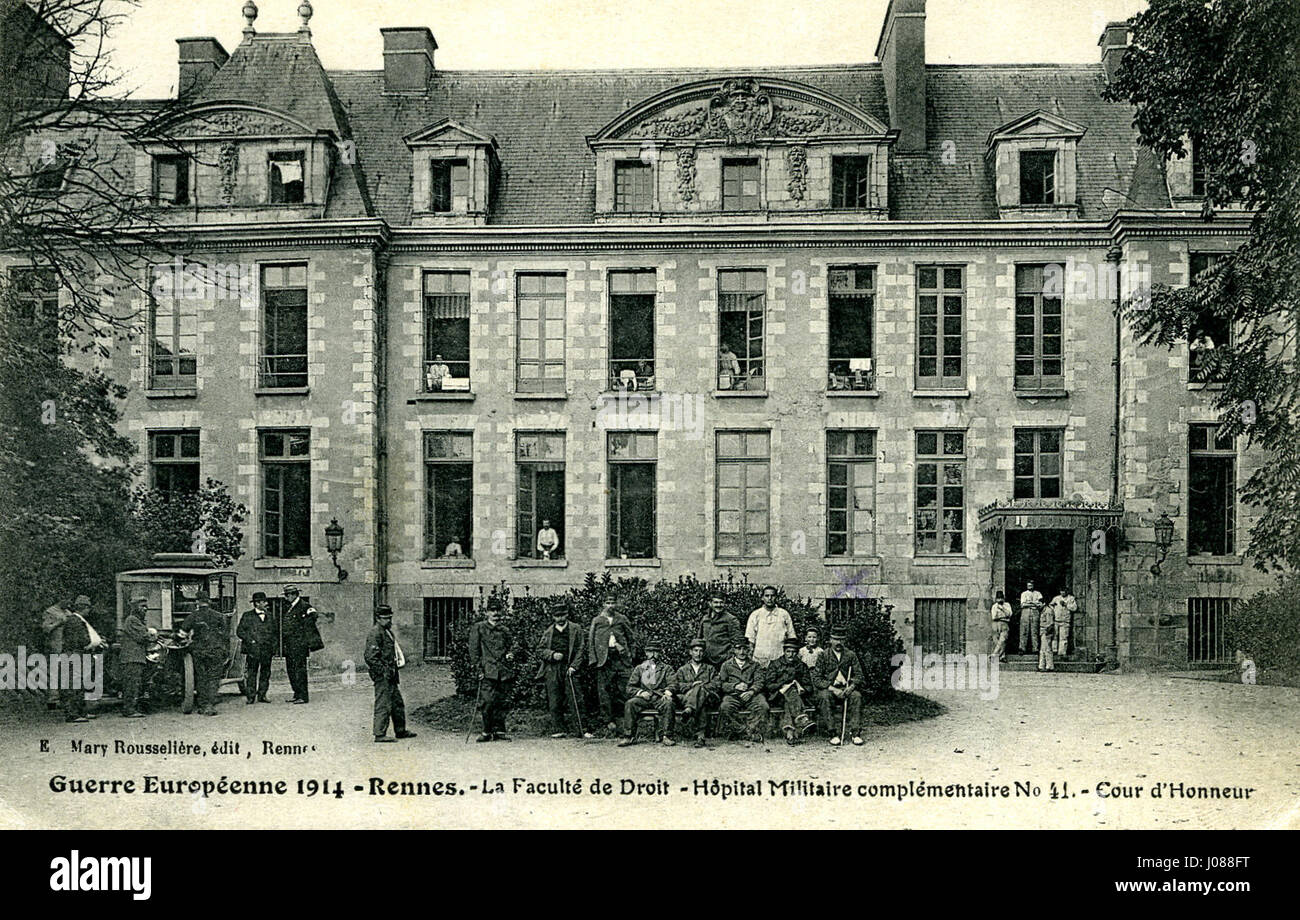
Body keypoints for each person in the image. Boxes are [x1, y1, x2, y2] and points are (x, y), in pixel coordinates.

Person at [535, 607, 591, 739]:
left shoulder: (576, 628)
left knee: (576, 698)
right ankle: (558, 729)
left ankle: (582, 729)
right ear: (553, 617)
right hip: (553, 669)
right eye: (557, 616)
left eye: (563, 615)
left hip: (570, 667)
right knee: (554, 699)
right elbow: (540, 650)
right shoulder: (549, 631)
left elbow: (581, 649)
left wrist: (574, 666)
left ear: (567, 614)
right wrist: (552, 655)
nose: (560, 618)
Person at [364, 605, 417, 742]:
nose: (389, 620)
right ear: (377, 618)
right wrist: (382, 671)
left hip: (391, 674)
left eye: (390, 617)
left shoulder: (387, 632)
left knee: (397, 703)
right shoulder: (375, 633)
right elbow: (370, 657)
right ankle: (379, 734)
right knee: (383, 704)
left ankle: (400, 730)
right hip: (383, 676)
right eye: (385, 618)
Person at [468, 605, 515, 742]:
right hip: (487, 671)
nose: (495, 613)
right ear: (487, 612)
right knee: (487, 701)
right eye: (492, 610)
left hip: (503, 671)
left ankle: (500, 731)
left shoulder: (505, 630)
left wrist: (511, 653)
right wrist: (478, 669)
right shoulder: (479, 628)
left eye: (498, 610)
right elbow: (474, 651)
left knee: (501, 701)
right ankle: (487, 731)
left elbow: (511, 646)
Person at [587, 601, 634, 734]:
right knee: (604, 690)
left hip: (621, 659)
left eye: (613, 602)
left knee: (626, 688)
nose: (610, 605)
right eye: (607, 602)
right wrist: (594, 660)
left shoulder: (622, 619)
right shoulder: (597, 620)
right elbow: (591, 641)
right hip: (604, 660)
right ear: (603, 604)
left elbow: (631, 638)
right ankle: (608, 721)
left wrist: (629, 655)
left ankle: (630, 719)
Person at [618, 640, 675, 746]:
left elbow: (673, 684)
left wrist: (668, 691)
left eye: (656, 652)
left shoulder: (666, 668)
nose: (653, 655)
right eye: (650, 652)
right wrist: (640, 692)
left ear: (660, 653)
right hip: (644, 699)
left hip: (659, 698)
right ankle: (629, 736)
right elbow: (630, 687)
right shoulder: (640, 668)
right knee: (630, 703)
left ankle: (667, 736)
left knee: (669, 703)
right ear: (646, 653)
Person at [815, 628, 863, 746]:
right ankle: (832, 733)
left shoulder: (851, 655)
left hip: (846, 688)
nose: (838, 643)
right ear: (830, 640)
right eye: (835, 639)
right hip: (830, 689)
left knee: (856, 696)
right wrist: (833, 689)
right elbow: (817, 679)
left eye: (841, 640)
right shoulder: (823, 655)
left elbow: (859, 675)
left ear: (845, 640)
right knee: (824, 697)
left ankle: (855, 733)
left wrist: (851, 687)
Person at [180, 598, 228, 716]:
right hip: (216, 650)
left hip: (199, 651)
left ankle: (203, 704)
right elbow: (225, 634)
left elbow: (182, 634)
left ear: (197, 602)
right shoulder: (219, 616)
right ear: (209, 602)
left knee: (201, 677)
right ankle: (210, 704)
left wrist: (180, 641)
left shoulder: (193, 616)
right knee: (214, 678)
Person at [60, 596, 105, 723]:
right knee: (73, 686)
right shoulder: (75, 621)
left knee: (77, 685)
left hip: (75, 654)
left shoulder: (75, 620)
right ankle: (73, 714)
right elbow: (82, 640)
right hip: (74, 655)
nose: (89, 611)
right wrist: (94, 643)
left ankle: (79, 712)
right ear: (84, 608)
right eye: (88, 608)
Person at [668, 638, 718, 748]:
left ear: (703, 653)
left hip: (707, 697)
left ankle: (690, 709)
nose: (698, 654)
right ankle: (700, 737)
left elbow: (716, 684)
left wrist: (701, 687)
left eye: (701, 651)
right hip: (686, 698)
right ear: (690, 652)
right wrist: (692, 685)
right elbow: (678, 685)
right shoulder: (683, 669)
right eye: (695, 651)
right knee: (700, 701)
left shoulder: (710, 669)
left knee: (702, 696)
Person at [765, 637, 815, 744]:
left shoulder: (801, 666)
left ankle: (790, 732)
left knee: (790, 699)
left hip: (797, 698)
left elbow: (809, 686)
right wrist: (784, 683)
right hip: (777, 696)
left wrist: (799, 686)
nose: (791, 655)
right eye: (788, 652)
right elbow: (769, 685)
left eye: (794, 652)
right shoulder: (775, 664)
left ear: (797, 652)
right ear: (784, 651)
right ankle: (802, 719)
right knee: (790, 690)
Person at [718, 638, 768, 743]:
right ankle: (745, 732)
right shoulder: (726, 665)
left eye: (744, 649)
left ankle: (749, 729)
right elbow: (721, 684)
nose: (742, 652)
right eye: (738, 649)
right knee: (725, 707)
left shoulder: (755, 665)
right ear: (734, 650)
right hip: (733, 695)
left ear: (749, 650)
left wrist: (752, 691)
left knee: (763, 706)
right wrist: (734, 686)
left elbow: (760, 681)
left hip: (752, 695)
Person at [280, 585, 320, 704]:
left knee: (300, 670)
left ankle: (303, 696)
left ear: (293, 595)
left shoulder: (304, 606)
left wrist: (301, 635)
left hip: (299, 645)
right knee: (291, 670)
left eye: (287, 595)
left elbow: (313, 616)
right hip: (290, 645)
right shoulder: (290, 607)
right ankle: (297, 693)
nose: (286, 598)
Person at [237, 592, 276, 704]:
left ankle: (262, 695)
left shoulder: (270, 616)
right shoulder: (247, 616)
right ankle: (251, 696)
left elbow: (275, 633)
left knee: (266, 673)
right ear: (257, 603)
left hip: (267, 650)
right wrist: (250, 641)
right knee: (252, 673)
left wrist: (273, 647)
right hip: (253, 650)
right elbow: (240, 631)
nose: (266, 604)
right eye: (264, 602)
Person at [118, 597, 153, 718]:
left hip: (135, 657)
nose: (145, 609)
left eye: (146, 606)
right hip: (132, 658)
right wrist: (153, 635)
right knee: (131, 684)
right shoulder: (132, 620)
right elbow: (143, 636)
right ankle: (129, 710)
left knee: (134, 683)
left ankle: (132, 708)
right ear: (134, 608)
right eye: (142, 606)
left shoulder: (136, 620)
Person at [746, 585, 796, 665]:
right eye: (767, 596)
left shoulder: (784, 614)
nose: (770, 598)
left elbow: (791, 637)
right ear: (762, 598)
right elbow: (751, 640)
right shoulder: (755, 614)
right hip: (760, 659)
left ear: (776, 597)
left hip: (779, 659)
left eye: (772, 596)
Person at [696, 594, 742, 668]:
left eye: (721, 602)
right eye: (716, 602)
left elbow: (737, 642)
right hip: (706, 660)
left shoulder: (731, 619)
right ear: (710, 603)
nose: (719, 605)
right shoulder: (705, 619)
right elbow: (699, 638)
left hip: (722, 662)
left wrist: (728, 657)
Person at [41, 600, 70, 711]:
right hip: (55, 646)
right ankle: (52, 700)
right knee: (54, 672)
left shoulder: (67, 612)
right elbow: (46, 629)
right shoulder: (50, 612)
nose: (68, 604)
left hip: (65, 646)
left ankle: (63, 699)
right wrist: (58, 623)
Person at [1050, 587, 1078, 657]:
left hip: (1065, 621)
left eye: (1064, 591)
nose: (1062, 593)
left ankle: (1062, 652)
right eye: (1061, 591)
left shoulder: (1071, 598)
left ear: (1067, 591)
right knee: (1054, 636)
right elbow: (1050, 605)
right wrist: (1054, 610)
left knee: (1063, 637)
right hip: (1056, 620)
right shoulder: (1056, 598)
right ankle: (1054, 650)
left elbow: (1074, 608)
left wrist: (1066, 605)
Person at [1018, 580, 1043, 655]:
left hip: (1035, 613)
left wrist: (1029, 603)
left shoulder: (1038, 593)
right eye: (1028, 585)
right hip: (1025, 613)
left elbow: (1040, 604)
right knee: (1024, 631)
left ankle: (1035, 648)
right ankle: (1022, 648)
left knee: (1034, 631)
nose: (1030, 587)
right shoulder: (1024, 594)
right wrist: (1033, 604)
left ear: (1033, 585)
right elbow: (1023, 605)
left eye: (1031, 585)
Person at [989, 590, 1013, 663]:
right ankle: (1002, 656)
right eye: (998, 598)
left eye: (1001, 598)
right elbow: (994, 617)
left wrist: (1002, 609)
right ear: (996, 599)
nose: (1000, 600)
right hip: (996, 624)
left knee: (1003, 640)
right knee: (997, 641)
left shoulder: (1007, 605)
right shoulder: (994, 606)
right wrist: (1004, 616)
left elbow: (1010, 614)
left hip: (1005, 624)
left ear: (1004, 598)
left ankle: (994, 655)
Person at [1038, 608, 1056, 672]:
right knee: (1043, 649)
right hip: (1043, 631)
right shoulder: (1043, 611)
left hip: (1046, 631)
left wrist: (1048, 632)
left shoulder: (1048, 611)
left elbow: (1050, 623)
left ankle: (1049, 666)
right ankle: (1041, 666)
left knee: (1047, 649)